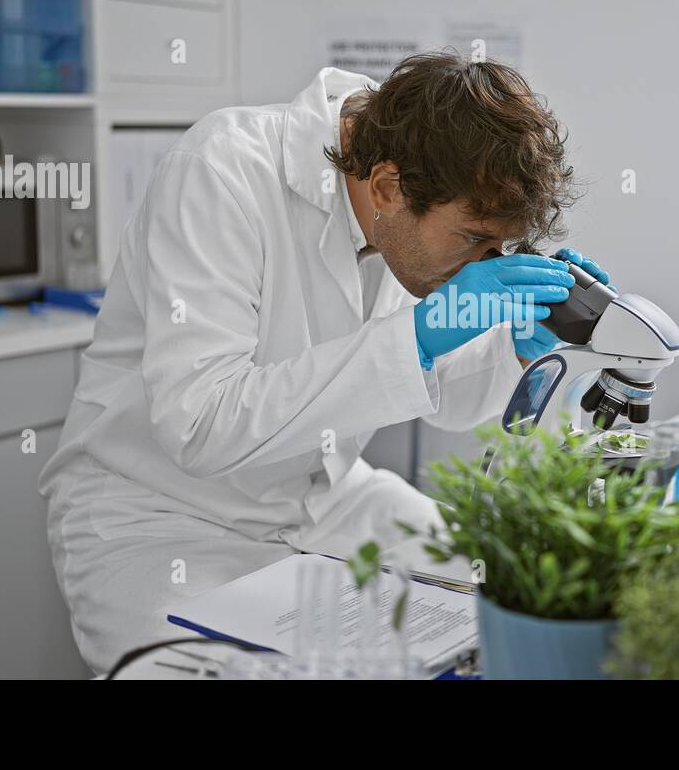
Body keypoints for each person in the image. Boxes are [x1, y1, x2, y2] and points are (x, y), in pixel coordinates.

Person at [38, 52, 611, 673]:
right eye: (476, 239)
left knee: (508, 597)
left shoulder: (418, 204)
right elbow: (199, 424)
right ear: (389, 187)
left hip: (329, 498)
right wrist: (416, 337)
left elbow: (446, 401)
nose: (486, 263)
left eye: (500, 246)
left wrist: (512, 350)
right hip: (162, 516)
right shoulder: (220, 170)